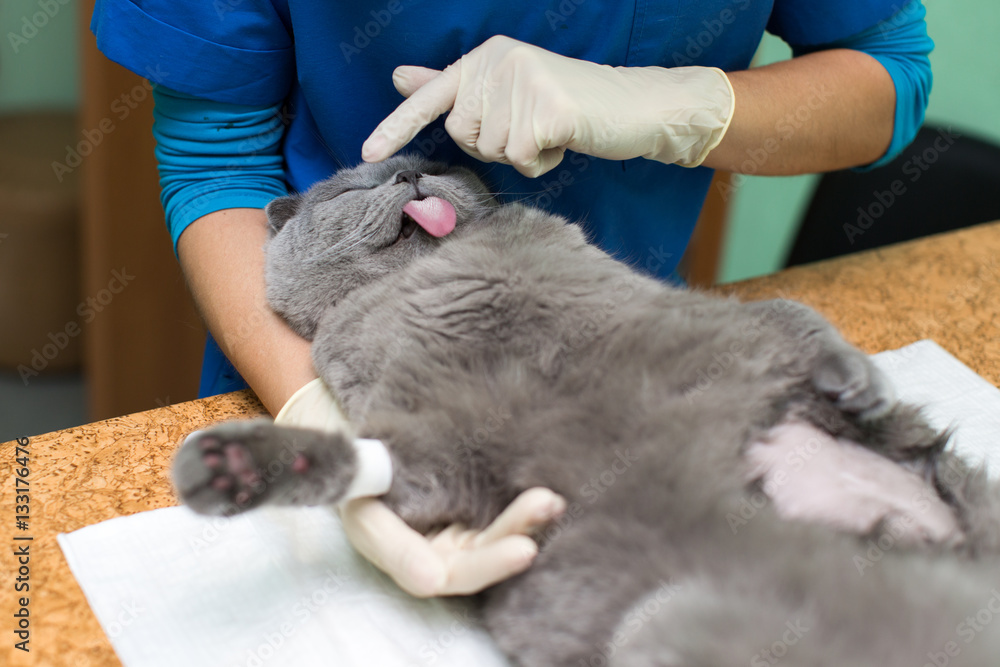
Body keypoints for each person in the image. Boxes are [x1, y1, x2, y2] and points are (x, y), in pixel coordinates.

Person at [91, 0, 933, 596]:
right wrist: (316, 413)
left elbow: (887, 67)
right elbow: (216, 152)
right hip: (315, 352)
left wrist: (670, 106)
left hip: (618, 366)